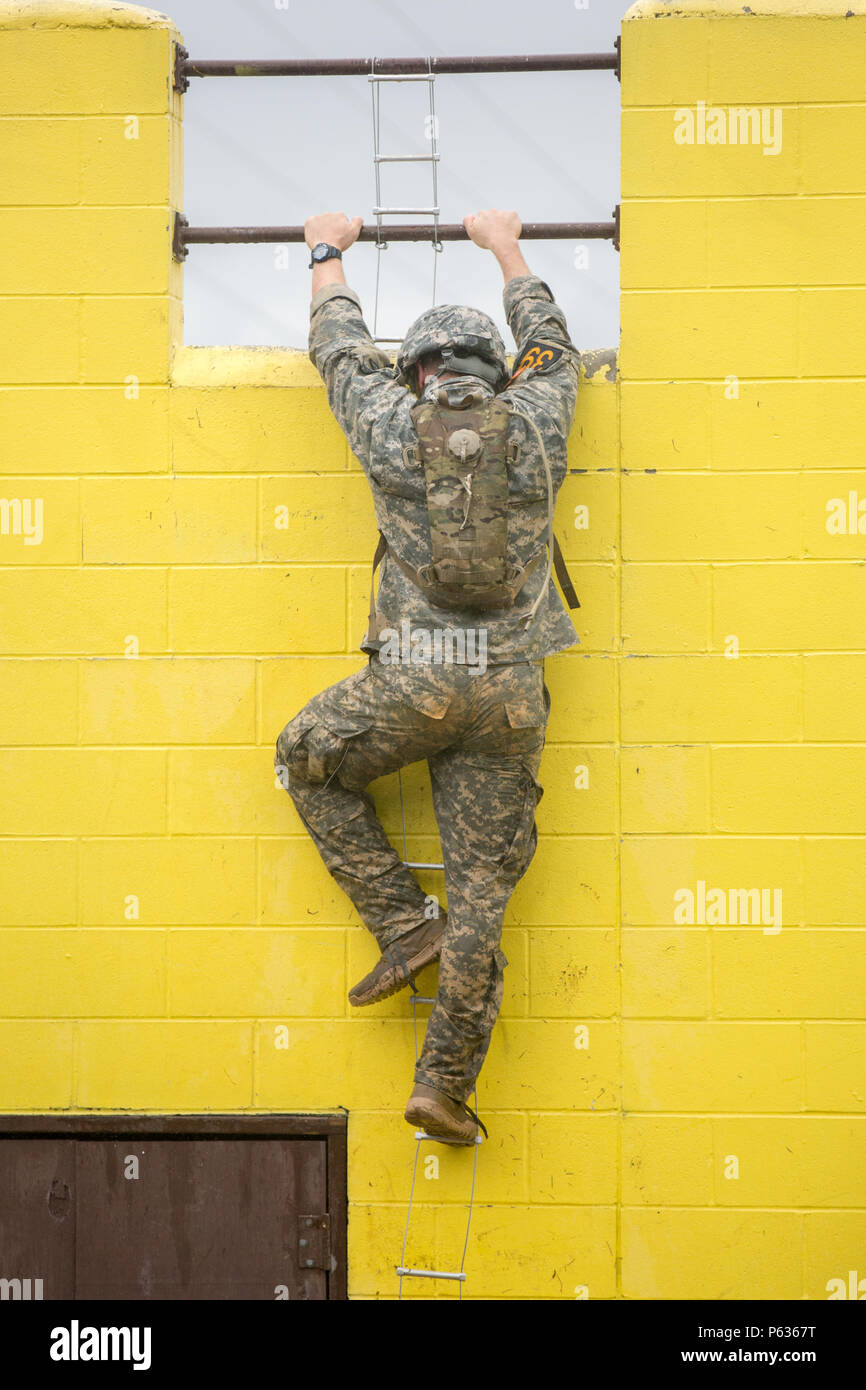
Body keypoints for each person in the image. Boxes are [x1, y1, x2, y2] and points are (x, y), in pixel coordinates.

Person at [274, 208, 580, 1142]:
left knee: (303, 756)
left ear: (419, 372)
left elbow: (338, 346)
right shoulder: (536, 419)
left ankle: (404, 922)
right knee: (484, 894)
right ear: (496, 372)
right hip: (512, 693)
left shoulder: (388, 422)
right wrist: (504, 244)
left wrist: (329, 250)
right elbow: (552, 343)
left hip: (416, 679)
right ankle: (442, 1086)